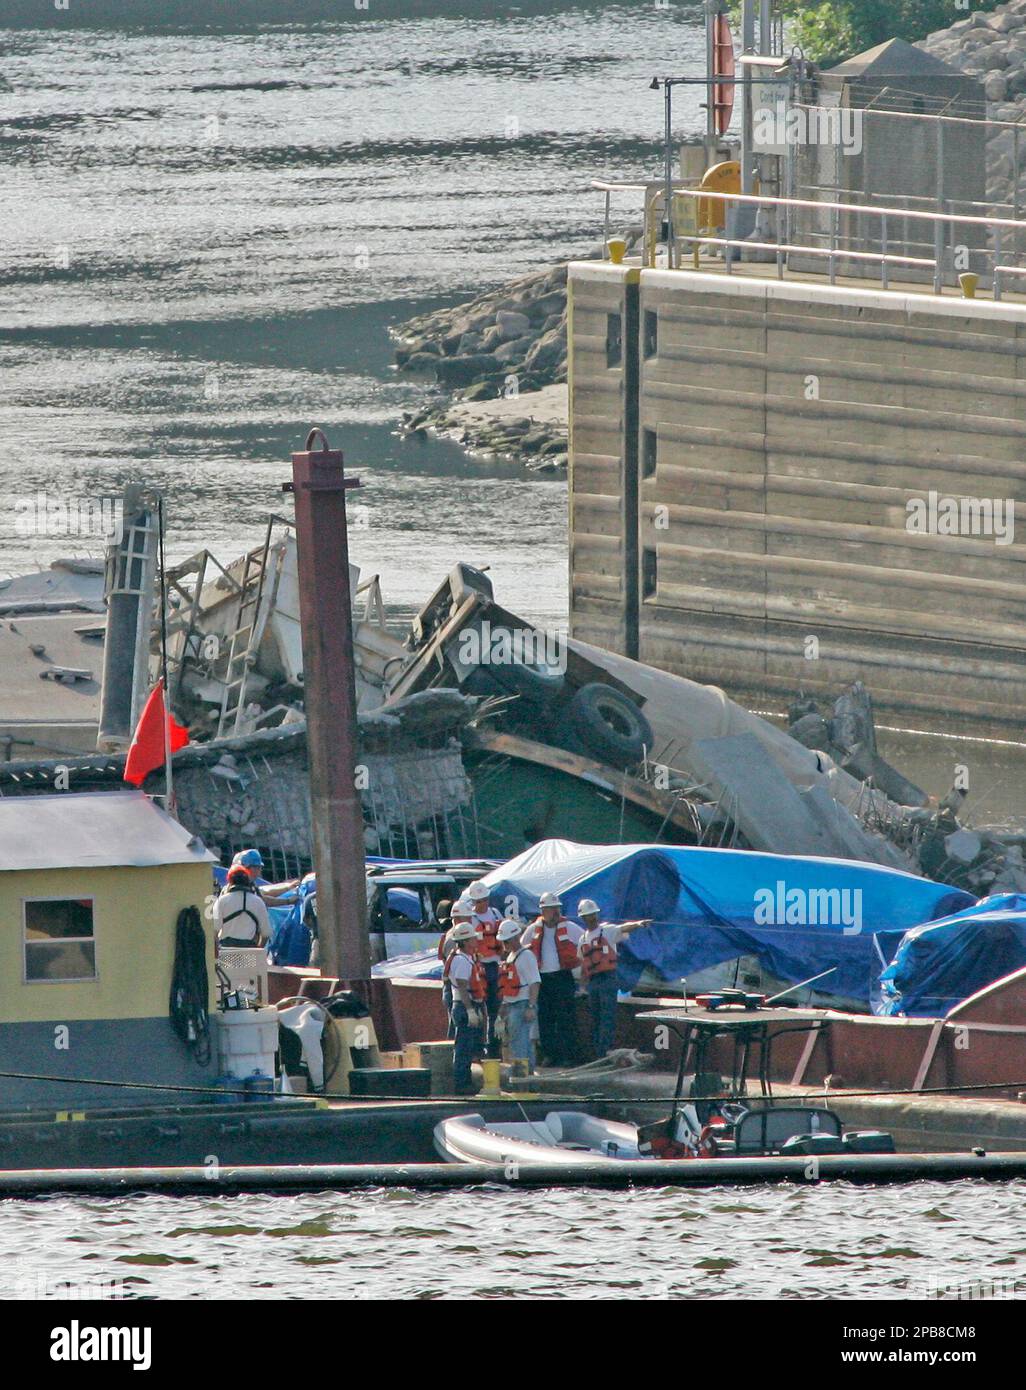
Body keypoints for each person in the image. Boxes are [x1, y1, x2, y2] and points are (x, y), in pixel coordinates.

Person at [576, 898, 651, 1059]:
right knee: (596, 1017)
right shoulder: (582, 939)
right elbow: (584, 966)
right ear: (583, 918)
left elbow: (623, 928)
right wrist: (582, 987)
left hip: (608, 978)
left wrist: (638, 924)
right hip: (594, 981)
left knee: (607, 1015)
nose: (592, 918)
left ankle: (605, 1051)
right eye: (589, 915)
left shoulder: (607, 930)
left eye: (594, 914)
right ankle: (598, 1052)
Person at [522, 890, 583, 1067]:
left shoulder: (570, 927)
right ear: (543, 911)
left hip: (562, 977)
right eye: (551, 909)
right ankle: (550, 1054)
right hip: (542, 980)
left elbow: (585, 942)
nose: (556, 913)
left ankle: (568, 1056)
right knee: (545, 1019)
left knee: (566, 1018)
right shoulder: (533, 930)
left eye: (557, 909)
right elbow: (522, 949)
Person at [445, 921, 486, 1094]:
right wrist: (470, 1010)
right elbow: (462, 986)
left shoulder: (465, 958)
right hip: (463, 1006)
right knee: (463, 1047)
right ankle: (462, 1085)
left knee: (467, 1047)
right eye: (472, 938)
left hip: (465, 1005)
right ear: (465, 941)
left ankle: (465, 1082)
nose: (475, 941)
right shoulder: (461, 961)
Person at [497, 918, 540, 1073]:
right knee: (518, 1042)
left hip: (522, 1004)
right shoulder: (511, 956)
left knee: (521, 1043)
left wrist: (531, 1006)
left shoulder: (526, 956)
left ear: (515, 938)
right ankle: (523, 1074)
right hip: (512, 1005)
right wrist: (504, 1005)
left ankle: (522, 1075)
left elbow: (534, 983)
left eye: (506, 941)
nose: (504, 945)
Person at [467, 879, 503, 1059]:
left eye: (484, 900)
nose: (482, 904)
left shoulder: (496, 914)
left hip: (496, 965)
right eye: (478, 901)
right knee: (479, 1009)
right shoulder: (471, 920)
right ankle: (477, 1049)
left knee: (495, 1009)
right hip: (479, 968)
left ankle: (494, 1050)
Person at [438, 897, 475, 1040]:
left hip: (455, 989)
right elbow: (458, 973)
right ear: (458, 919)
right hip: (455, 990)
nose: (471, 921)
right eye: (468, 918)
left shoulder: (455, 935)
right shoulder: (453, 939)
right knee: (458, 1033)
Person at [214, 865, 271, 950]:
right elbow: (266, 934)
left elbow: (213, 931)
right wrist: (258, 949)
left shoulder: (221, 901)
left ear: (230, 882)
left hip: (225, 952)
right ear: (247, 881)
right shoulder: (258, 902)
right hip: (249, 953)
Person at [230, 849, 302, 904]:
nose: (259, 871)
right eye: (257, 867)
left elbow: (264, 892)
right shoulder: (239, 887)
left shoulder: (249, 884)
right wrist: (288, 901)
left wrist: (288, 888)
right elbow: (263, 900)